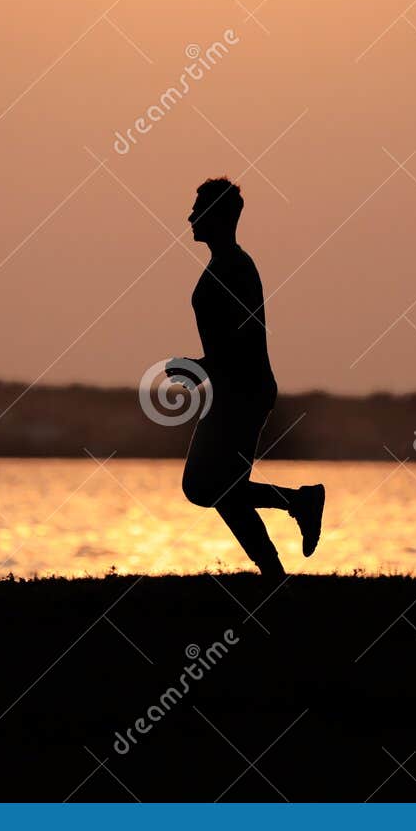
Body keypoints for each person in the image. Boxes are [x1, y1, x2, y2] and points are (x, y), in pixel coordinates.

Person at [172, 177, 324, 580]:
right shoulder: (226, 265)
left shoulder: (236, 268)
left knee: (205, 487)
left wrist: (200, 367)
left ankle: (299, 504)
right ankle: (273, 572)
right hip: (233, 390)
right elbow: (230, 344)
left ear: (219, 217)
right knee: (220, 488)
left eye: (198, 207)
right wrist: (201, 366)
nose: (190, 216)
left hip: (243, 393)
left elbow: (241, 342)